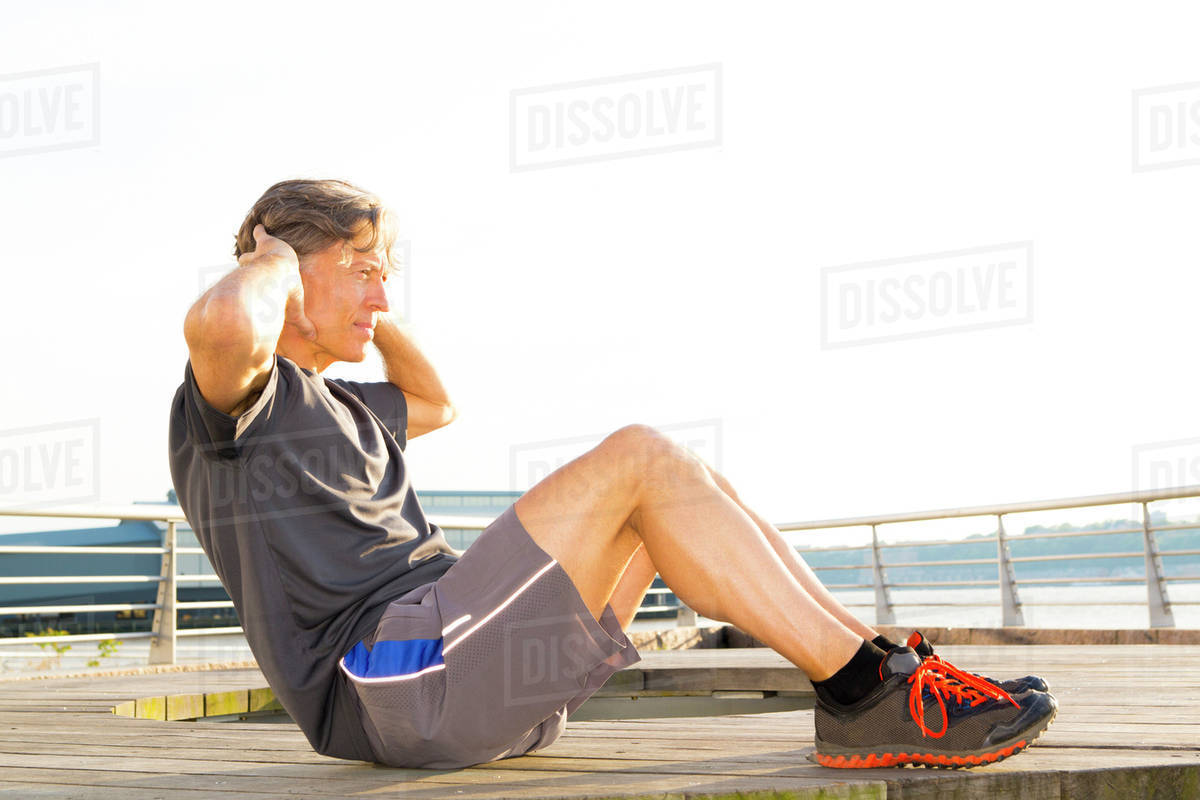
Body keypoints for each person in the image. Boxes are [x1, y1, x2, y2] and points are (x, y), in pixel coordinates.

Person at [168, 178, 1056, 771]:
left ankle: (883, 673)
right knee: (638, 456)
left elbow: (436, 401)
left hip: (471, 677)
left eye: (385, 277)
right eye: (362, 274)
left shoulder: (352, 406)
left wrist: (358, 301)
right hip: (392, 684)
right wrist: (274, 257)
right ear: (279, 280)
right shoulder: (239, 403)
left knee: (672, 477)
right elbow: (218, 328)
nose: (382, 297)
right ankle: (868, 695)